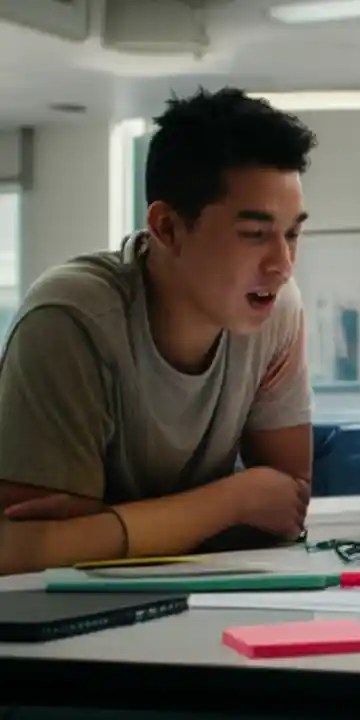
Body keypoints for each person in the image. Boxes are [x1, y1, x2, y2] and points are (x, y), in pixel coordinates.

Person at [0, 88, 317, 575]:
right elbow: (24, 554)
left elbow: (285, 508)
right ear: (167, 228)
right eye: (255, 234)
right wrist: (233, 500)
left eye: (292, 233)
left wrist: (102, 528)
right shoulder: (72, 318)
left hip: (203, 600)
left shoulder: (277, 311)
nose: (283, 265)